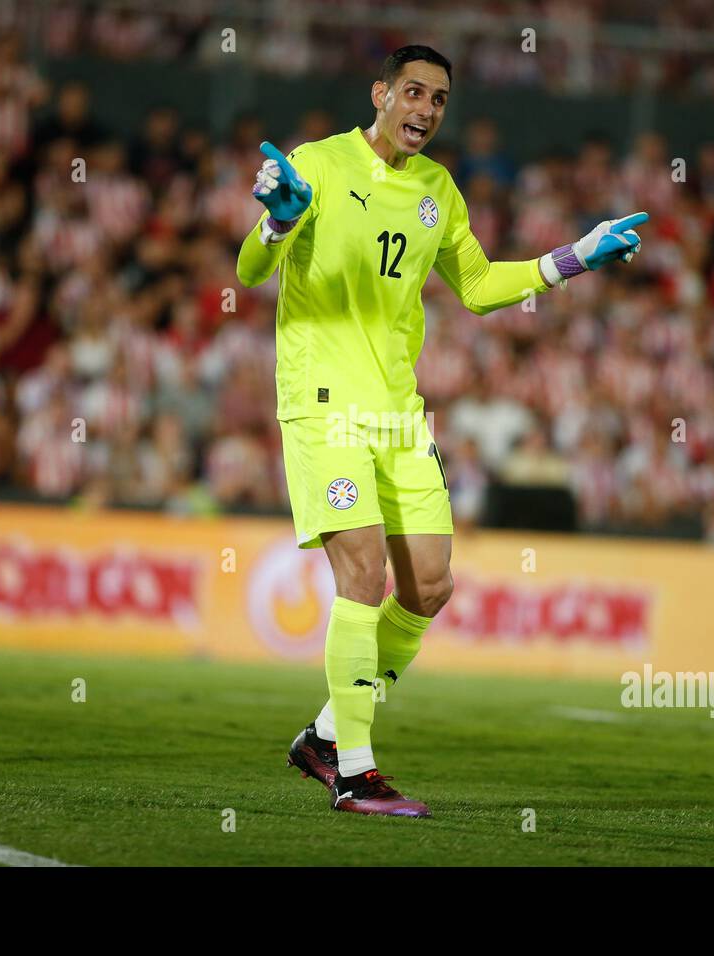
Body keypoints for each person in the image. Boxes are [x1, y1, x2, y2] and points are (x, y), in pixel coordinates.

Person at [236, 44, 647, 817]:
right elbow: (251, 270)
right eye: (414, 92)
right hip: (324, 401)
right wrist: (278, 220)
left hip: (397, 409)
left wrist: (576, 256)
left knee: (428, 587)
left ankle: (325, 737)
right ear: (381, 93)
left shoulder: (438, 190)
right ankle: (355, 774)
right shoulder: (316, 164)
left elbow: (483, 286)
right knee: (362, 575)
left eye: (440, 100)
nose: (426, 110)